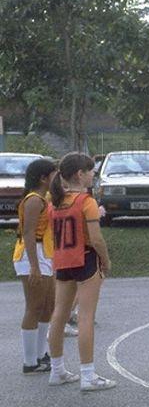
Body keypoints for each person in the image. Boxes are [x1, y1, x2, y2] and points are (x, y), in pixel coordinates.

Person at [47, 153, 116, 391]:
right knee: (86, 317)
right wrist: (105, 261)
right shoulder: (85, 202)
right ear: (80, 174)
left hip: (63, 260)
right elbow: (95, 238)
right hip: (85, 259)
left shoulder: (55, 201)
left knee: (59, 315)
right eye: (91, 171)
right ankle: (88, 375)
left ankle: (56, 370)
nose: (93, 174)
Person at [12, 158, 57, 374]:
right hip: (32, 254)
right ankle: (30, 361)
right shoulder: (33, 200)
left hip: (45, 254)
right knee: (34, 307)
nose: (56, 177)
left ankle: (41, 353)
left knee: (48, 306)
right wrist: (34, 267)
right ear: (43, 178)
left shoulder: (44, 198)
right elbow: (28, 234)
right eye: (54, 174)